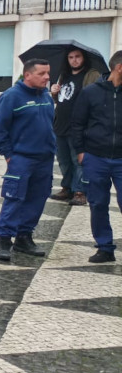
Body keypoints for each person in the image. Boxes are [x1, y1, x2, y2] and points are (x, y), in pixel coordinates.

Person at [0, 58, 55, 262]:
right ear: (27, 75)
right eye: (42, 73)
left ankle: (24, 237)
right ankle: (4, 240)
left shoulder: (46, 95)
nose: (47, 77)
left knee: (38, 198)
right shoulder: (11, 97)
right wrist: (9, 155)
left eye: (48, 73)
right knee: (14, 198)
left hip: (44, 159)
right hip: (21, 158)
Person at [71, 50, 122, 263]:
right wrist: (81, 153)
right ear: (119, 67)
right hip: (95, 157)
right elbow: (77, 124)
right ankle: (105, 247)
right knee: (98, 204)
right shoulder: (91, 92)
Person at [50, 48, 100, 206]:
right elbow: (62, 99)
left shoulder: (92, 75)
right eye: (71, 57)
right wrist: (54, 92)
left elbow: (96, 98)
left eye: (77, 56)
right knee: (63, 160)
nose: (74, 60)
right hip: (60, 124)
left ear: (84, 58)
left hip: (78, 126)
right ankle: (67, 188)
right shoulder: (64, 75)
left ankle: (80, 191)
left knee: (77, 159)